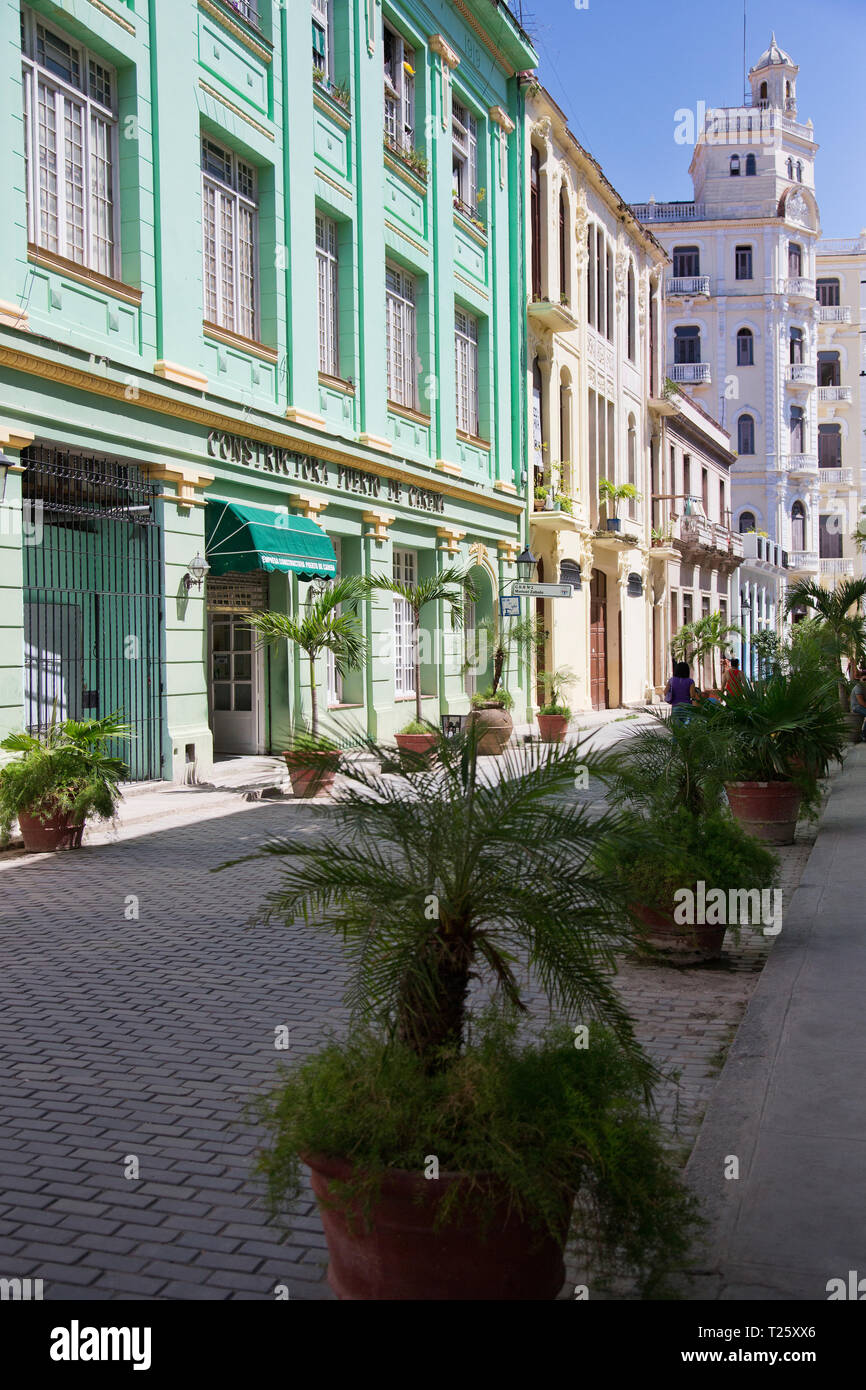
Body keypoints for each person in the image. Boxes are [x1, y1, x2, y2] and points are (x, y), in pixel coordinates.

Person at [850, 674, 866, 742]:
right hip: (856, 706)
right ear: (860, 679)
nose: (865, 681)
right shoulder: (858, 687)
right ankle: (864, 735)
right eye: (864, 679)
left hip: (862, 706)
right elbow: (860, 702)